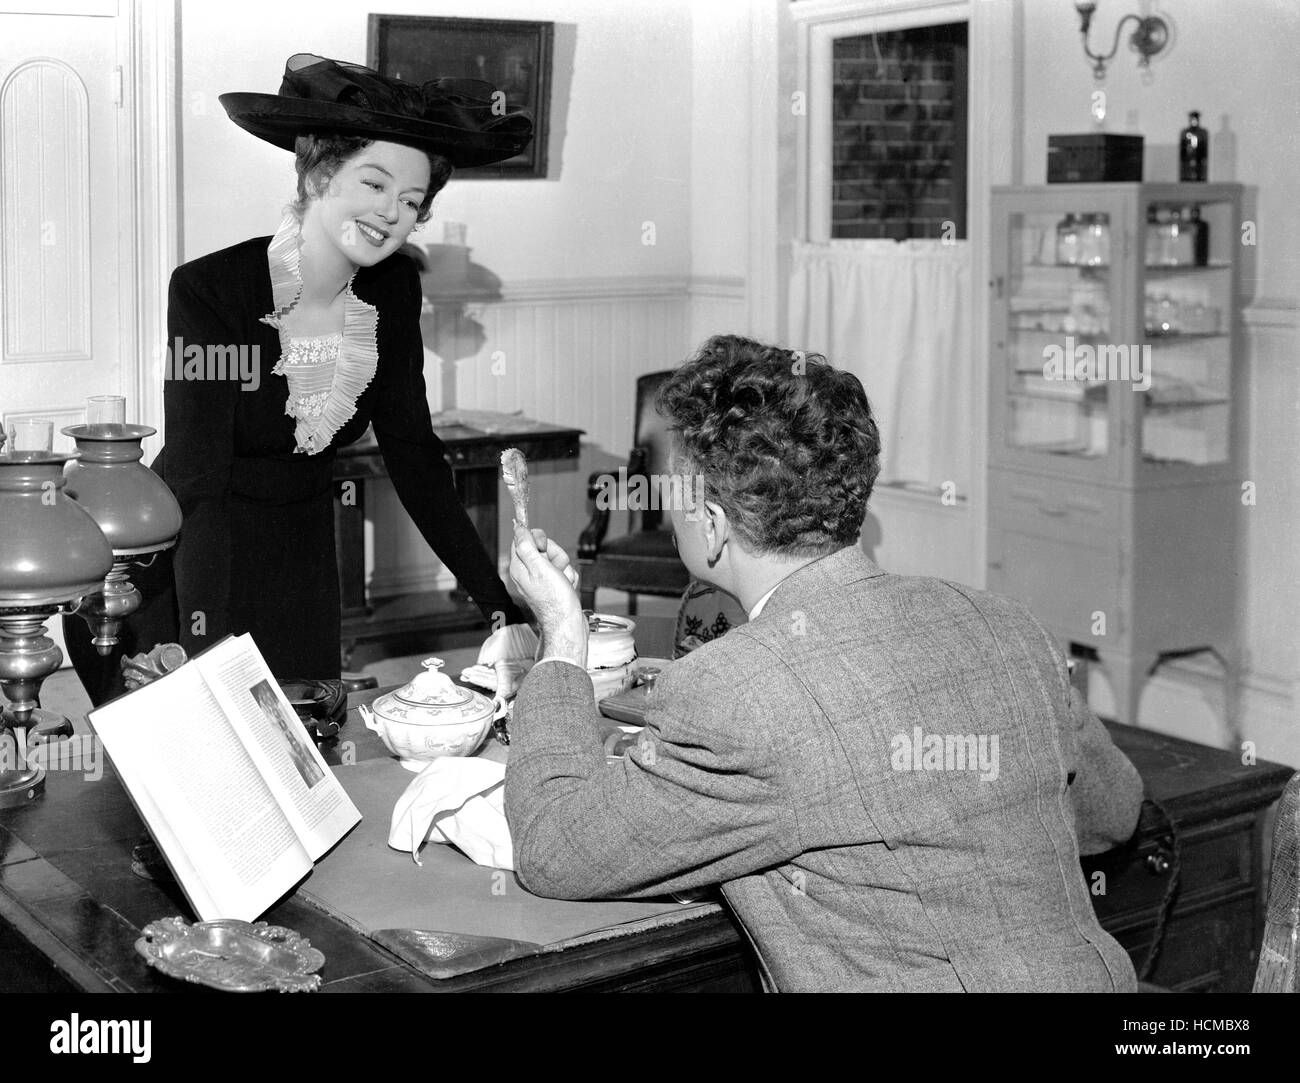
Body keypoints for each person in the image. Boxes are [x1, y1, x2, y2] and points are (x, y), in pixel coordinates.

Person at [504, 334, 1144, 993]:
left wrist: (562, 638)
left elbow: (556, 850)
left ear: (715, 525)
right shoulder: (1008, 626)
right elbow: (1114, 810)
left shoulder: (733, 696)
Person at [67, 53, 537, 704]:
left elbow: (415, 456)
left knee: (303, 750)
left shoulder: (394, 288)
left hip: (303, 558)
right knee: (204, 752)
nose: (392, 215)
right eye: (374, 184)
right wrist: (201, 649)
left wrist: (500, 603)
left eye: (411, 199)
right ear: (318, 171)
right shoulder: (210, 291)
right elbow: (198, 483)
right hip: (193, 560)